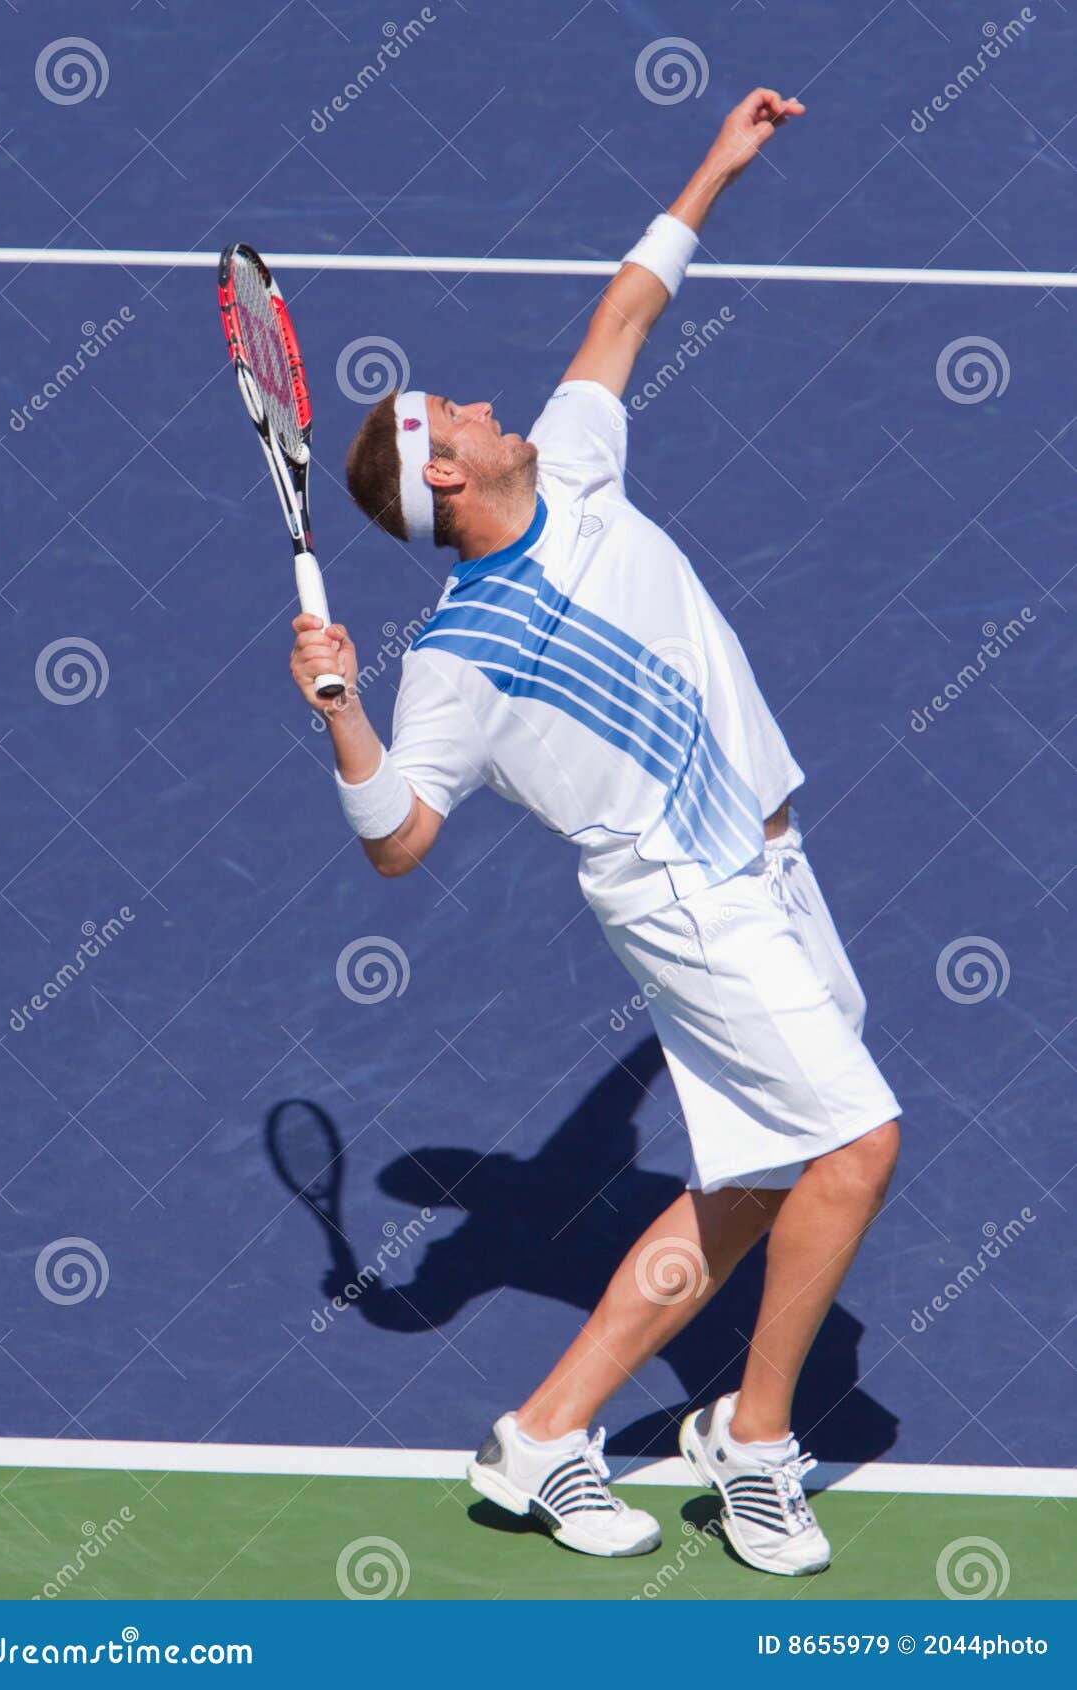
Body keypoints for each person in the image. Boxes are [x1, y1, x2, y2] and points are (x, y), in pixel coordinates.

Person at [290, 88, 901, 1577]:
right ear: (446, 472)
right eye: (467, 414)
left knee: (759, 1169)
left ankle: (545, 1435)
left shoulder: (572, 463)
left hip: (770, 854)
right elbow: (398, 839)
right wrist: (343, 713)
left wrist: (715, 166)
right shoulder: (454, 662)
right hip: (687, 899)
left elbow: (623, 315)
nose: (498, 405)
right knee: (857, 1145)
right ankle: (753, 1448)